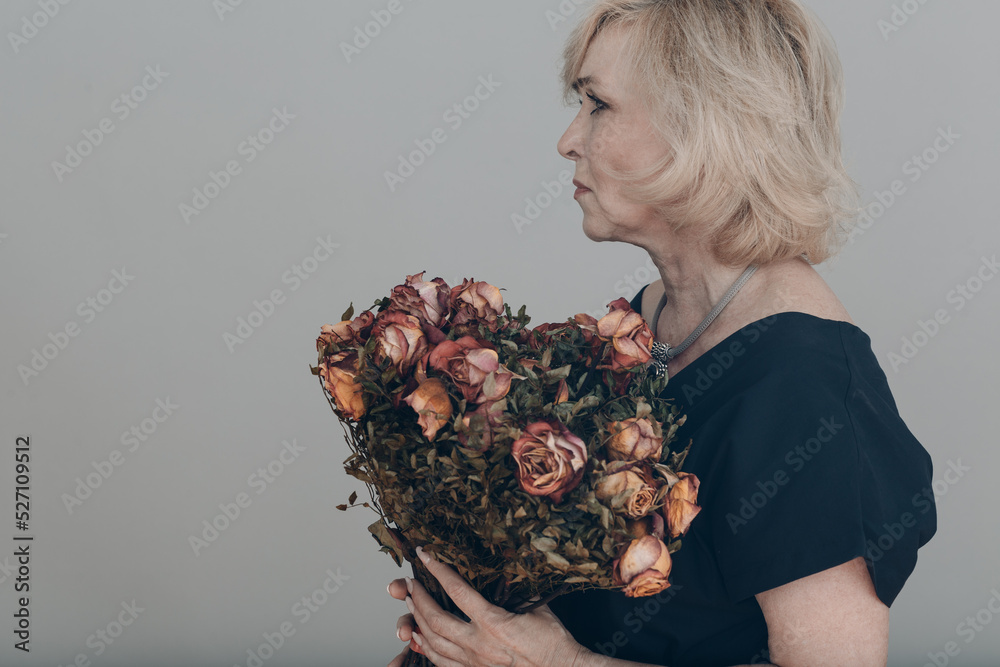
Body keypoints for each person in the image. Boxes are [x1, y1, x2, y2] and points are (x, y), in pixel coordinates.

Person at [386, 1, 937, 665]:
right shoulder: (653, 318)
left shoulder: (803, 389)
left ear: (704, 128)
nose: (568, 139)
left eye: (599, 105)